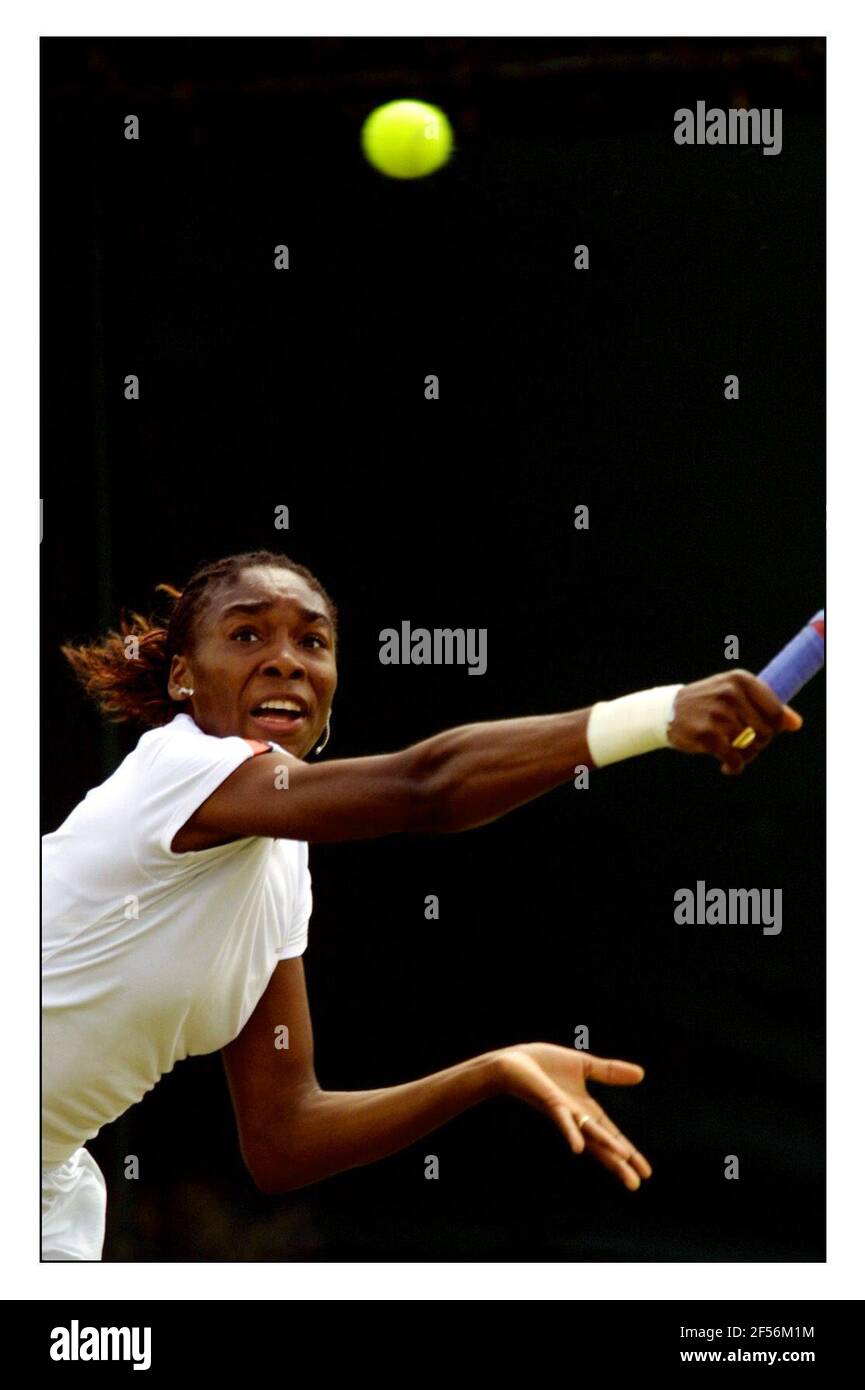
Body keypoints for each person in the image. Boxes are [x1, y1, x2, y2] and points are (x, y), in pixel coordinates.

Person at [41, 549, 802, 1259]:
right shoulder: (180, 766)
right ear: (182, 677)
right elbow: (425, 788)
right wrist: (656, 717)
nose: (285, 659)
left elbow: (285, 1136)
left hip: (46, 1192)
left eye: (313, 642)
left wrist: (492, 1071)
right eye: (246, 634)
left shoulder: (281, 864)